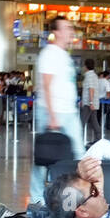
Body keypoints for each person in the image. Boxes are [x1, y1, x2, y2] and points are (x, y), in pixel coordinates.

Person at [30, 15, 83, 204]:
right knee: (45, 157)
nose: (71, 31)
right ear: (56, 32)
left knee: (77, 154)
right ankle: (36, 199)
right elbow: (46, 85)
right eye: (66, 27)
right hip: (53, 112)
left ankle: (71, 196)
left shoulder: (64, 55)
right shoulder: (50, 53)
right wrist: (52, 116)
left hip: (68, 112)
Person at [80, 59, 102, 145]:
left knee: (82, 122)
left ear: (86, 66)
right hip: (91, 102)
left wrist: (91, 102)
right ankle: (98, 139)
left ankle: (79, 142)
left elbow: (91, 89)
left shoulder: (89, 76)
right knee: (94, 121)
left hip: (89, 103)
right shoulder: (94, 75)